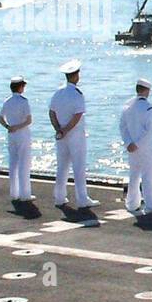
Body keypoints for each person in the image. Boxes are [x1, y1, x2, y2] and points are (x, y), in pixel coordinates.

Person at [49, 59, 98, 209]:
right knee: (79, 168)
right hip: (75, 135)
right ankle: (82, 199)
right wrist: (66, 130)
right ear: (76, 75)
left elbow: (51, 113)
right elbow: (77, 116)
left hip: (61, 135)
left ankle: (59, 197)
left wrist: (58, 129)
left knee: (62, 167)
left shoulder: (58, 92)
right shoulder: (77, 94)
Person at [119, 78, 152, 214]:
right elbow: (148, 131)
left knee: (134, 175)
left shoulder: (127, 106)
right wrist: (137, 144)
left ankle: (132, 203)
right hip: (145, 147)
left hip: (131, 147)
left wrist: (129, 143)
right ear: (146, 90)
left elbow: (123, 127)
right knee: (149, 176)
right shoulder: (148, 107)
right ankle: (151, 205)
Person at [0, 76, 34, 203]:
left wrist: (8, 126)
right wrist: (17, 127)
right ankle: (25, 193)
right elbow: (29, 120)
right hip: (22, 133)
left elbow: (0, 118)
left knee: (13, 163)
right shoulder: (24, 101)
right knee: (24, 163)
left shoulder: (7, 101)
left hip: (11, 133)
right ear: (20, 87)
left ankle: (14, 193)